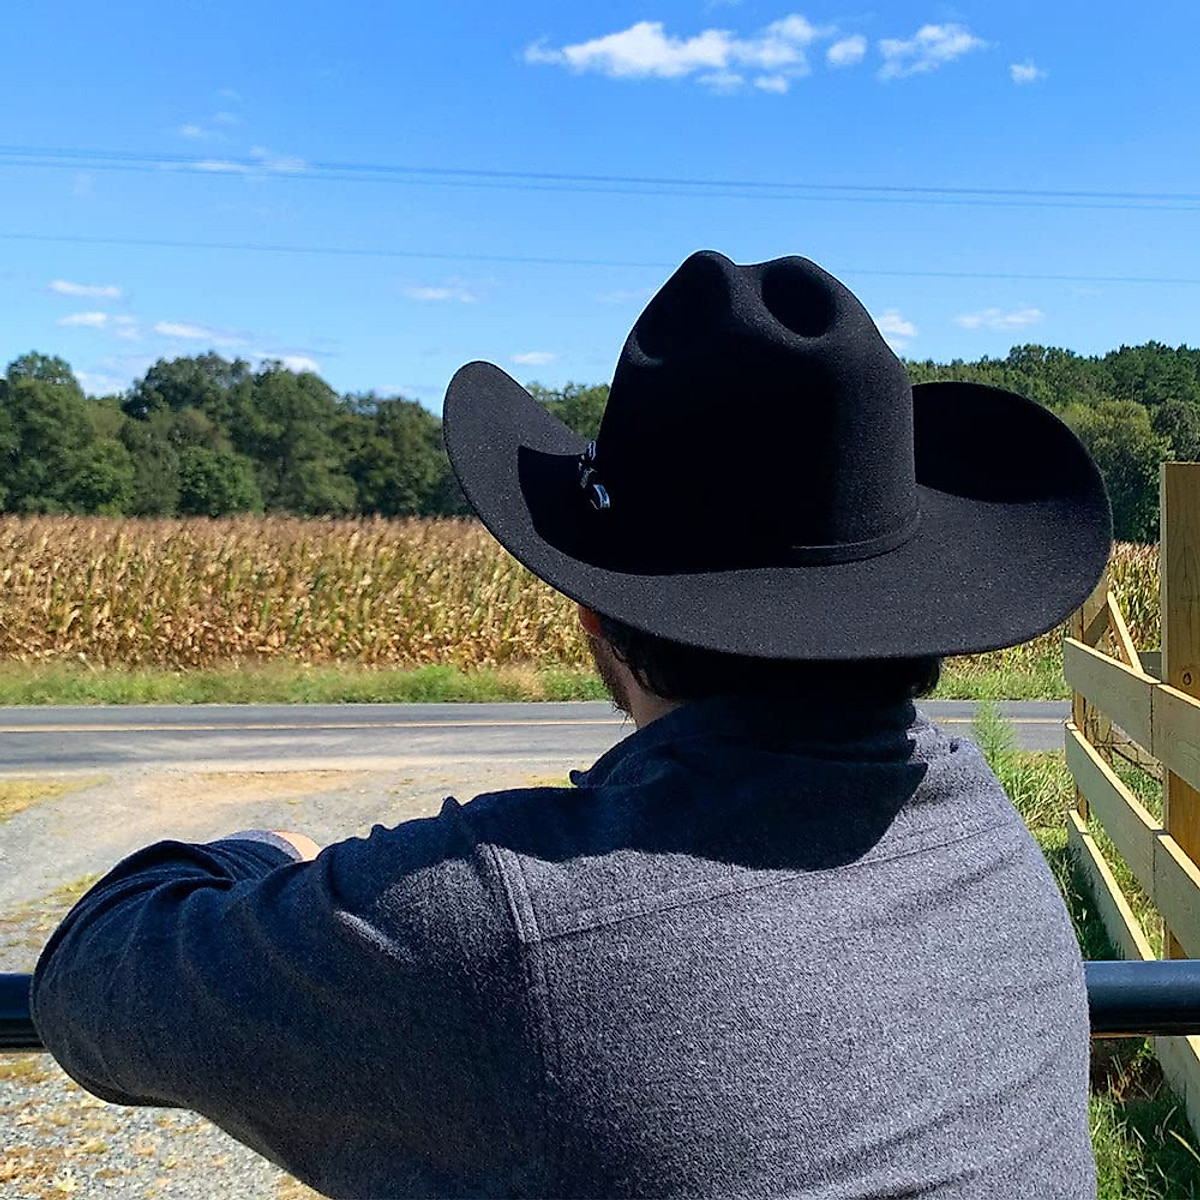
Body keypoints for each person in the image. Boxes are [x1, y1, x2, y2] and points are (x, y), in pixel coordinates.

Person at [29, 251, 1111, 1198]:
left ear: (592, 614)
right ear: (913, 608)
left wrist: (265, 853)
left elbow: (91, 982)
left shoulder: (502, 918)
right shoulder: (991, 842)